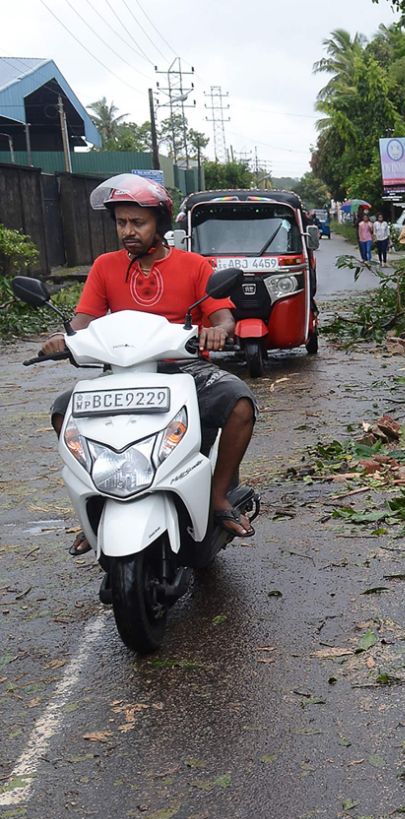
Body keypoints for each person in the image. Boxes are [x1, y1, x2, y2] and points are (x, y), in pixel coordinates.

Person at [38, 173, 257, 554]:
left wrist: (217, 331)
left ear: (159, 224)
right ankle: (94, 505)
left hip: (186, 369)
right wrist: (64, 338)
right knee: (63, 411)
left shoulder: (194, 266)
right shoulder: (106, 267)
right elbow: (83, 320)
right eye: (122, 222)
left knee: (239, 403)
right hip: (121, 372)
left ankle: (219, 497)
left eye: (137, 222)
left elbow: (222, 315)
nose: (128, 231)